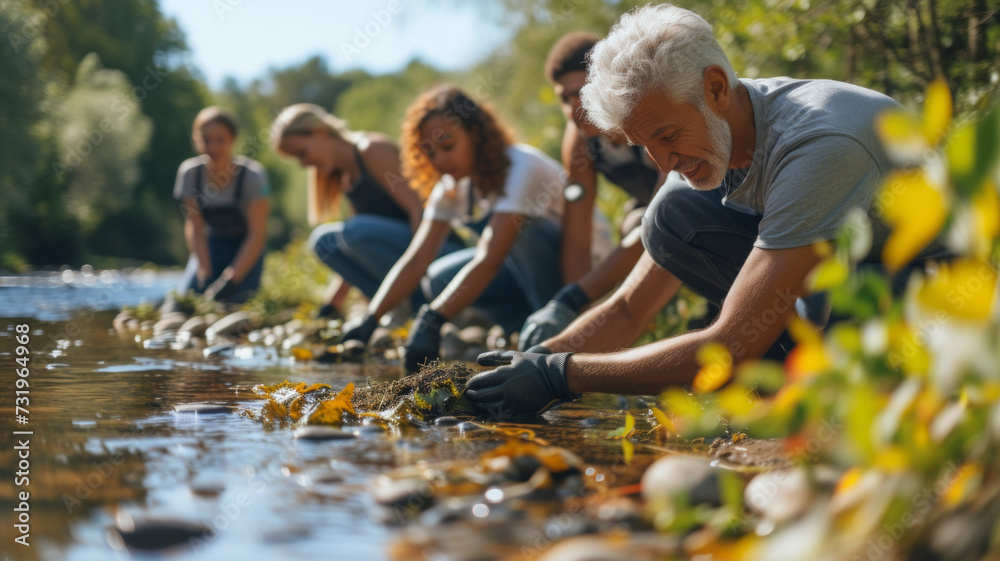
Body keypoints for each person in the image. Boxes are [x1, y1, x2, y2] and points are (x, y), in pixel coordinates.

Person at [465, 4, 952, 418]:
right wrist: (531, 361)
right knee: (671, 213)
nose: (663, 163)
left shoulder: (820, 143)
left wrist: (561, 377)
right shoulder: (711, 137)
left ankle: (861, 395)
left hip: (943, 305)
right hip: (848, 285)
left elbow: (733, 344)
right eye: (642, 145)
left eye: (669, 137)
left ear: (716, 88)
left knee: (683, 225)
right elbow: (630, 307)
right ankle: (803, 378)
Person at [339, 84, 611, 373]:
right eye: (430, 152)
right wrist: (370, 319)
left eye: (448, 146)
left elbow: (489, 257)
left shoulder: (521, 167)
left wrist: (433, 320)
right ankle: (522, 325)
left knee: (521, 232)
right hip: (522, 268)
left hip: (587, 273)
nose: (440, 160)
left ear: (476, 134)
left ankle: (557, 330)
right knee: (439, 278)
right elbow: (417, 258)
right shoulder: (453, 188)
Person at [519, 31, 669, 351]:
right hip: (648, 210)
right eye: (564, 98)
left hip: (704, 206)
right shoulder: (580, 142)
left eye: (581, 92)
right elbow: (577, 237)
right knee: (633, 222)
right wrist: (575, 317)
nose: (573, 107)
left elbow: (665, 217)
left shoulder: (648, 118)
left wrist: (574, 296)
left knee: (639, 223)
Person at [271, 104, 424, 318]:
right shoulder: (346, 178)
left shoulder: (372, 150)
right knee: (324, 241)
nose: (304, 164)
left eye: (302, 153)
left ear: (320, 132)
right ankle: (396, 304)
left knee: (353, 231)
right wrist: (332, 305)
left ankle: (419, 296)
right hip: (405, 263)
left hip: (434, 252)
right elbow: (354, 248)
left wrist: (419, 268)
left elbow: (421, 212)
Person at [174, 106, 270, 303]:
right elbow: (195, 227)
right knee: (184, 301)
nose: (213, 147)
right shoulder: (189, 174)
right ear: (196, 140)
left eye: (220, 140)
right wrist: (204, 272)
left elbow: (257, 234)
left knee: (237, 303)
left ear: (232, 139)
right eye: (206, 140)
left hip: (246, 249)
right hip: (210, 247)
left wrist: (230, 281)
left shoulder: (254, 176)